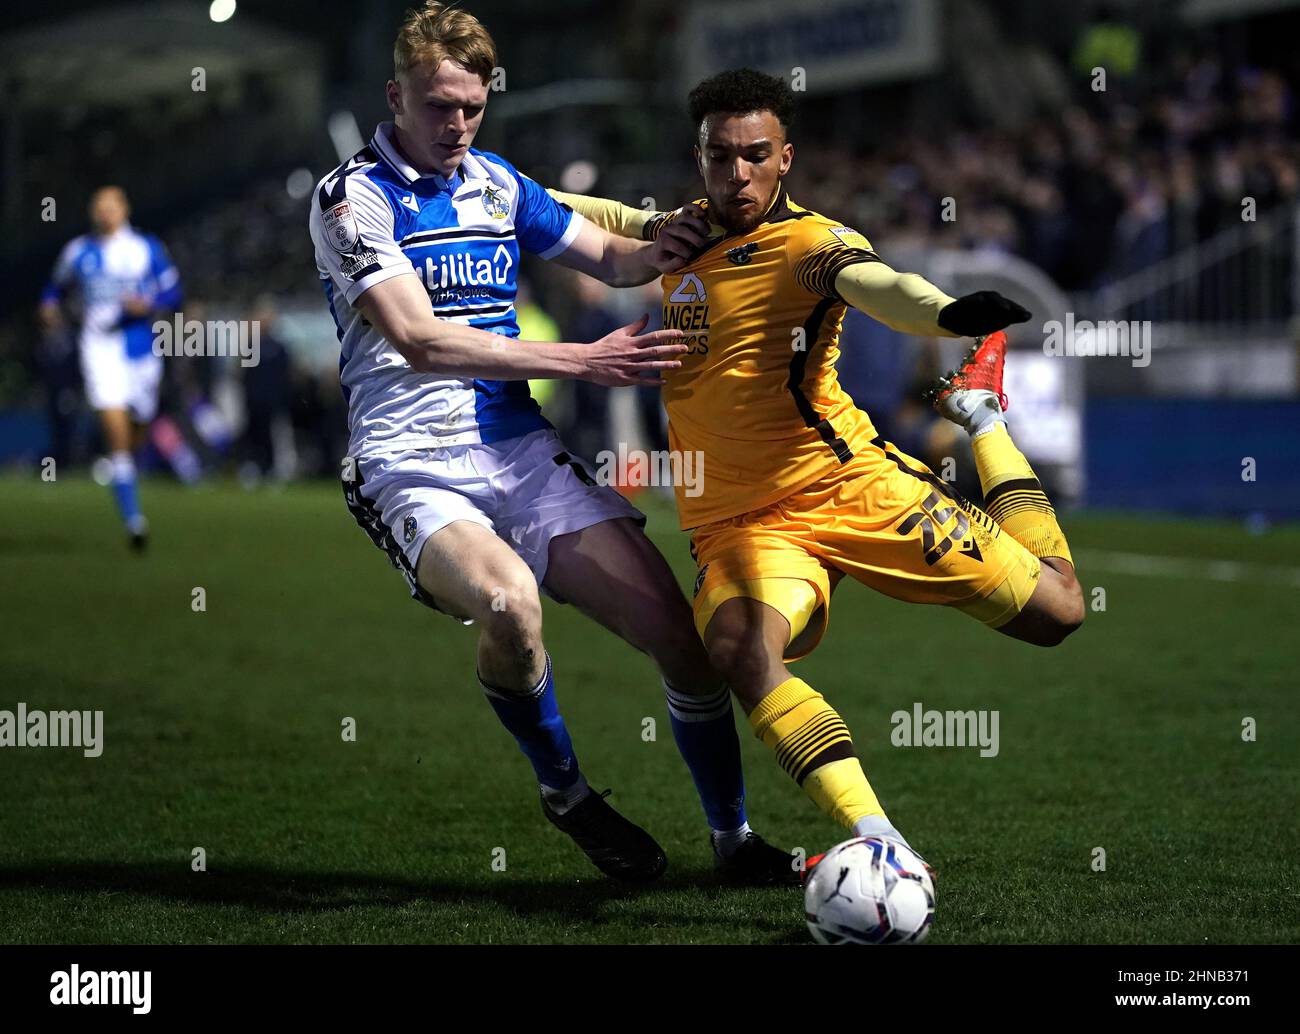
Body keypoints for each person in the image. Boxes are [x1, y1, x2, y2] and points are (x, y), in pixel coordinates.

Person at [308, 4, 794, 883]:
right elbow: (420, 341)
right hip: (411, 465)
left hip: (519, 452)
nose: (456, 124)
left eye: (473, 106)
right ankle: (567, 793)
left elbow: (607, 257)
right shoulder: (351, 199)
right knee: (508, 608)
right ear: (395, 97)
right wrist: (582, 359)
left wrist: (676, 237)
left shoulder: (495, 180)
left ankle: (733, 841)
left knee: (681, 639)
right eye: (437, 106)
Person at [552, 68, 1086, 868]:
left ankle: (982, 420)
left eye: (755, 155)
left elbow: (880, 284)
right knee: (737, 645)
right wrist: (487, 185)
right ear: (700, 157)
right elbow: (581, 214)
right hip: (739, 521)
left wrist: (945, 313)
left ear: (786, 157)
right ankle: (881, 840)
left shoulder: (811, 245)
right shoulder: (678, 235)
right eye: (719, 156)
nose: (736, 174)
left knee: (1060, 614)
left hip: (853, 486)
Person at [39, 186, 182, 550]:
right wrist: (50, 307)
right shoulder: (78, 251)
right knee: (115, 430)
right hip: (99, 348)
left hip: (141, 348)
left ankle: (123, 468)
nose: (104, 212)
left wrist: (147, 303)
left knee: (139, 423)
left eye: (110, 205)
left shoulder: (145, 248)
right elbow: (53, 289)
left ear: (124, 208)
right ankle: (135, 521)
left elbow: (173, 291)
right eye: (98, 206)